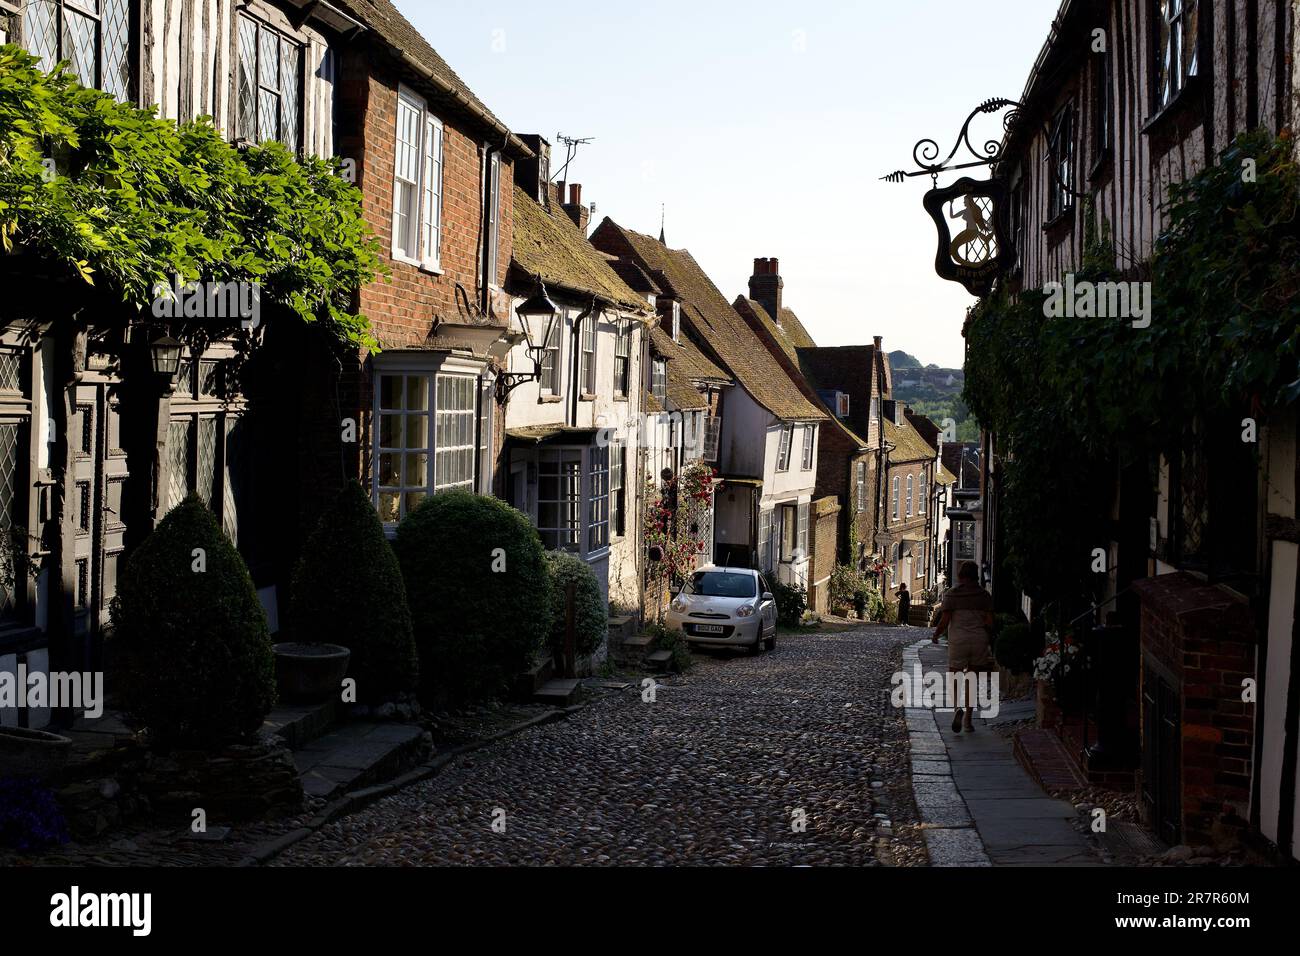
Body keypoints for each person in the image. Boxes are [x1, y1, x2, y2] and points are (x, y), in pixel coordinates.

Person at [932, 561, 994, 733]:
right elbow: (989, 622)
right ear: (976, 576)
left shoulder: (952, 595)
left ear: (960, 576)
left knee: (955, 677)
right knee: (972, 679)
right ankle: (968, 720)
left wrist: (936, 635)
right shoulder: (984, 596)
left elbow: (944, 621)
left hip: (958, 640)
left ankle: (957, 708)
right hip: (978, 640)